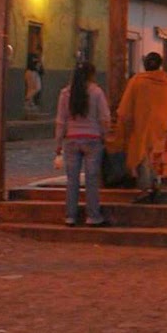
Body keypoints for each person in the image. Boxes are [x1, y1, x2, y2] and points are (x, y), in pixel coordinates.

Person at [116, 51, 167, 203]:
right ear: (160, 64)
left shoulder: (137, 81)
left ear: (145, 64)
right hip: (161, 126)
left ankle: (146, 188)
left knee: (143, 156)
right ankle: (156, 184)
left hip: (141, 125)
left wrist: (124, 120)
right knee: (157, 157)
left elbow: (125, 107)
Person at [54, 61, 110, 227]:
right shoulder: (96, 92)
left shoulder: (65, 93)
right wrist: (105, 135)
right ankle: (93, 216)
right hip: (92, 139)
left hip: (71, 139)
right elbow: (104, 118)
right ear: (91, 75)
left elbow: (60, 121)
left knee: (72, 180)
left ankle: (70, 216)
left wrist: (58, 143)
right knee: (92, 179)